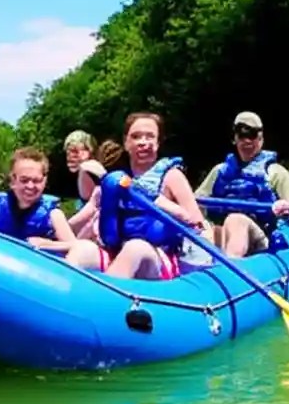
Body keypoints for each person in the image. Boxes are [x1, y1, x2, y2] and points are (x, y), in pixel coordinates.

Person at [66, 112, 204, 279]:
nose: (143, 143)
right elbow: (86, 208)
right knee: (82, 249)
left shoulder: (172, 177)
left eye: (150, 137)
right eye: (136, 137)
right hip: (116, 251)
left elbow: (197, 224)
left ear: (158, 143)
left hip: (159, 257)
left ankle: (104, 301)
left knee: (135, 248)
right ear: (126, 143)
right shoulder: (115, 181)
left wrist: (168, 208)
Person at [193, 111, 289, 258]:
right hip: (224, 234)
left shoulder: (276, 173)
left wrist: (287, 209)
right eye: (241, 136)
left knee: (235, 220)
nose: (246, 142)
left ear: (261, 138)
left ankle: (231, 270)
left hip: (262, 237)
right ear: (235, 138)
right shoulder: (219, 171)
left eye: (252, 135)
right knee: (207, 232)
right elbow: (195, 204)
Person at [0, 147, 81, 249]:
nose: (30, 186)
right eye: (24, 180)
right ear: (13, 181)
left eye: (36, 181)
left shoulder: (53, 215)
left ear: (44, 181)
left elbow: (75, 246)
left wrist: (49, 244)